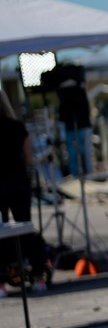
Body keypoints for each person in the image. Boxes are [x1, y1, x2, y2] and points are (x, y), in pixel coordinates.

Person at [0, 88, 48, 295]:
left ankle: (0, 282)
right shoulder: (17, 127)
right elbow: (29, 158)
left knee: (0, 229)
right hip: (18, 181)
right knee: (26, 226)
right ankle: (38, 277)